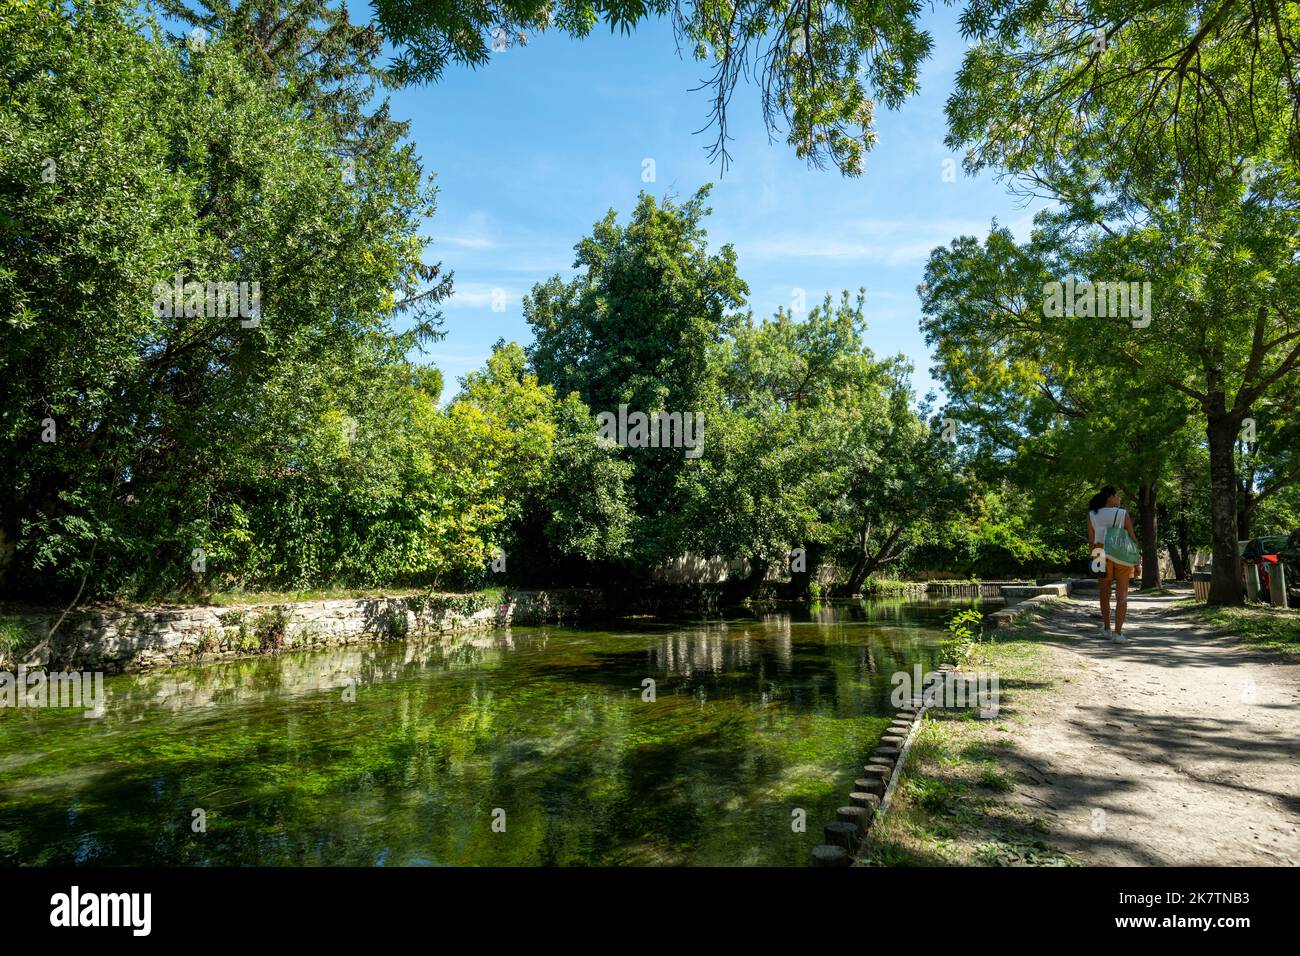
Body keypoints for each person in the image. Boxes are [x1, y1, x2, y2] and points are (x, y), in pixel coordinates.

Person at [1087, 485, 1141, 643]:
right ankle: (1118, 634)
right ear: (1110, 497)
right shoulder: (1122, 513)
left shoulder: (1092, 514)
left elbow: (1091, 541)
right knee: (1122, 596)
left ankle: (1106, 629)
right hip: (1121, 552)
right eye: (1117, 495)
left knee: (1104, 593)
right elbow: (1132, 537)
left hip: (1099, 552)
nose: (1119, 498)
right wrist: (1137, 560)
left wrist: (1095, 558)